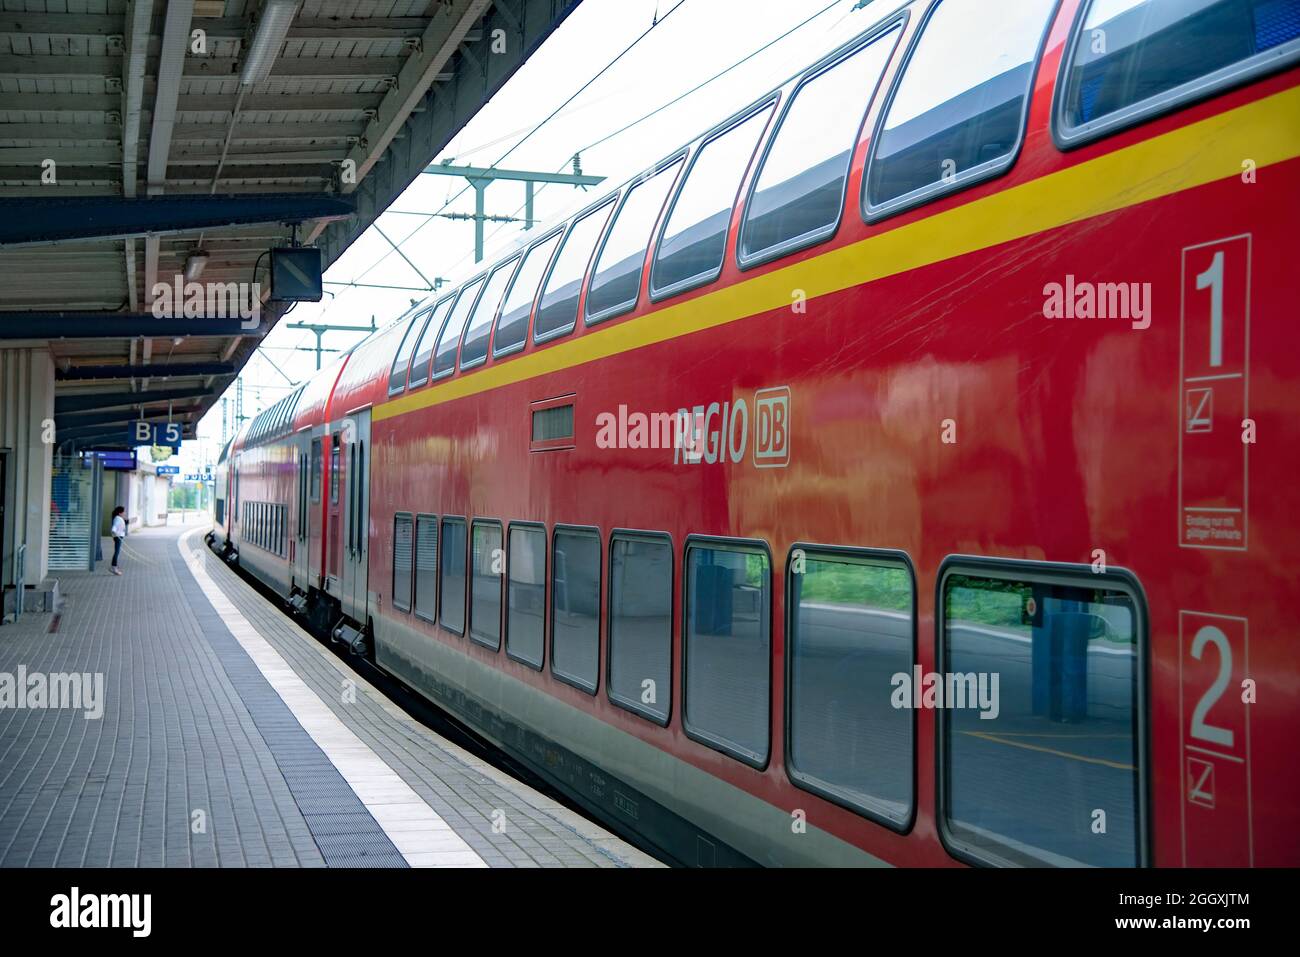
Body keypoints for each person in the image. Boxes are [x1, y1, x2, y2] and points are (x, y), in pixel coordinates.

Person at [110, 506, 126, 576]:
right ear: (120, 513)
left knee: (117, 552)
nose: (124, 513)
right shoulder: (118, 519)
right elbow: (114, 527)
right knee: (117, 552)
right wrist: (114, 532)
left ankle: (114, 567)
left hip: (118, 536)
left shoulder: (118, 518)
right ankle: (113, 567)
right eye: (123, 512)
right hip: (118, 537)